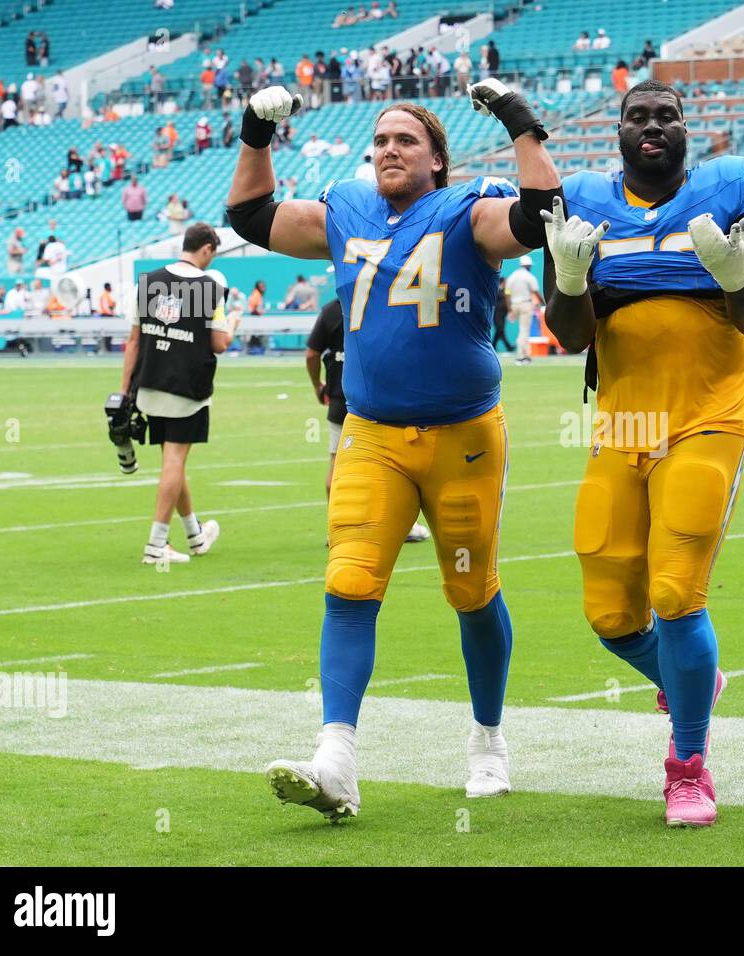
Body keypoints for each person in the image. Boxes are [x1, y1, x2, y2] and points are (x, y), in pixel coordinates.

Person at [224, 79, 559, 818]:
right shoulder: (348, 209)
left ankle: (488, 741)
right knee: (348, 582)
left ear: (438, 159)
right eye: (378, 140)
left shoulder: (467, 210)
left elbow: (538, 220)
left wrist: (518, 121)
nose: (387, 150)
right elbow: (250, 216)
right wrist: (254, 132)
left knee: (471, 593)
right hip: (372, 433)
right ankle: (336, 759)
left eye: (405, 140)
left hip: (464, 437)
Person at [540, 80, 744, 828]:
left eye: (666, 116)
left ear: (688, 129)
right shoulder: (583, 204)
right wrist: (573, 279)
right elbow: (571, 333)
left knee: (677, 594)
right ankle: (691, 681)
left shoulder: (734, 192)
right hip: (624, 423)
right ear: (616, 130)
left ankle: (689, 765)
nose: (652, 127)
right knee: (611, 612)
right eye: (637, 116)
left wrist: (740, 277)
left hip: (709, 415)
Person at [120, 223, 239, 565]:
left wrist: (124, 390)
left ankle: (195, 536)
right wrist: (233, 326)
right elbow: (219, 345)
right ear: (206, 249)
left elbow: (133, 341)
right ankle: (156, 544)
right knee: (174, 461)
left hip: (150, 383)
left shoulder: (147, 282)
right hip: (188, 388)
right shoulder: (208, 288)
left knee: (173, 461)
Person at [306, 297, 431, 540]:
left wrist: (317, 386)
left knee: (337, 465)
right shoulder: (382, 301)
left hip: (340, 396)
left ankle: (337, 529)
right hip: (381, 398)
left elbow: (312, 354)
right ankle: (403, 525)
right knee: (397, 463)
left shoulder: (331, 310)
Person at [505, 255, 542, 364]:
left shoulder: (512, 276)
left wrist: (510, 309)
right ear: (528, 266)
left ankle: (524, 354)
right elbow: (535, 292)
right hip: (525, 304)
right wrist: (544, 303)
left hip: (514, 304)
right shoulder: (529, 277)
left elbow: (507, 293)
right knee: (524, 330)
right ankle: (522, 356)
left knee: (522, 330)